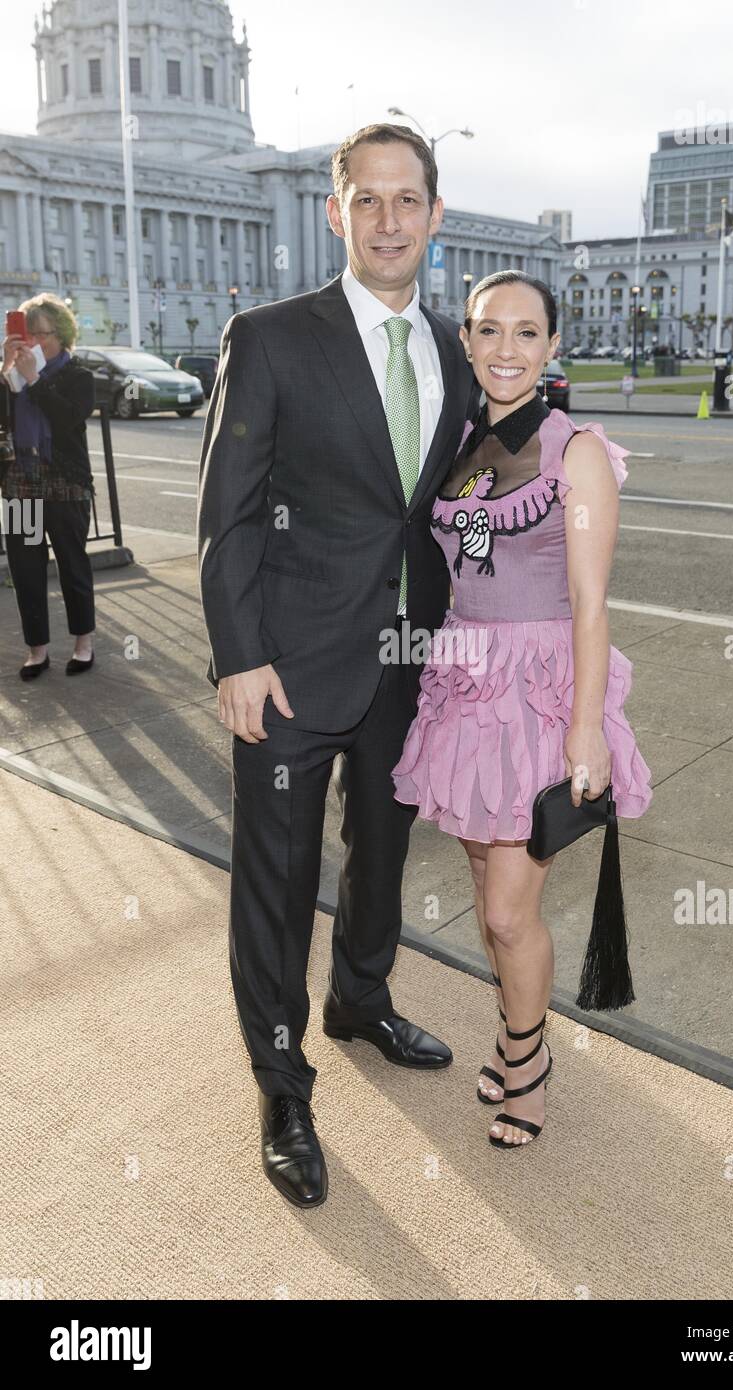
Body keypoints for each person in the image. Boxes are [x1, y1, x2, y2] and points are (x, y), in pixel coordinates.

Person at [197, 124, 480, 1209]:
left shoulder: (449, 350)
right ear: (337, 213)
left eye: (408, 200)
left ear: (434, 214)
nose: (389, 220)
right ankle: (281, 1084)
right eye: (368, 201)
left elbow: (440, 501)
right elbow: (226, 512)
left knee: (380, 856)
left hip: (403, 659)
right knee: (273, 883)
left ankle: (360, 999)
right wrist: (239, 656)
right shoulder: (270, 337)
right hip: (290, 667)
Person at [391, 270, 653, 1150]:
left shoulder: (574, 449)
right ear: (465, 341)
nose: (507, 349)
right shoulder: (460, 442)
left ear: (551, 346)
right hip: (464, 681)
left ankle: (528, 1058)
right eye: (489, 331)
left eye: (527, 332)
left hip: (539, 693)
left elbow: (591, 602)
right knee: (481, 882)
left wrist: (585, 726)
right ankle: (512, 1034)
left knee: (509, 912)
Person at [0, 293, 96, 679]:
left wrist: (35, 379)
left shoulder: (78, 376)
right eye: (29, 335)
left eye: (42, 335)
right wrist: (7, 369)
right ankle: (36, 650)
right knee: (25, 569)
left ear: (63, 335)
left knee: (73, 565)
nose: (34, 344)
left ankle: (83, 643)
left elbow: (69, 417)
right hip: (21, 482)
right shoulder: (11, 378)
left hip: (66, 485)